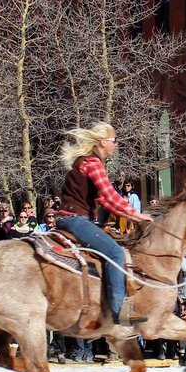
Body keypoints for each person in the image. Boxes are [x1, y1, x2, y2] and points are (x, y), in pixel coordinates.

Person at [55, 122, 152, 326]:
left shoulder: (86, 162)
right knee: (116, 253)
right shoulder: (93, 163)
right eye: (114, 140)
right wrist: (136, 215)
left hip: (71, 218)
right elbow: (110, 195)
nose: (116, 145)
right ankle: (118, 310)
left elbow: (106, 200)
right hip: (76, 219)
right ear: (102, 142)